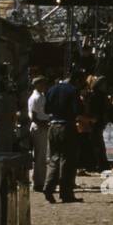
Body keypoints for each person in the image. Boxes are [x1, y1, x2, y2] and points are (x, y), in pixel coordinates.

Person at [43, 68, 84, 203]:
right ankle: (66, 193)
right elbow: (77, 110)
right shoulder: (72, 90)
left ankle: (48, 187)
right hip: (67, 126)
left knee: (54, 158)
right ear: (76, 80)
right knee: (67, 160)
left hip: (53, 126)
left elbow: (46, 109)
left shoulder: (51, 89)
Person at [27, 76, 51, 186]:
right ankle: (38, 181)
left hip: (43, 125)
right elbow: (34, 116)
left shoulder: (41, 96)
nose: (44, 86)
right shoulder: (35, 98)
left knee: (42, 155)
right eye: (42, 84)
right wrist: (44, 125)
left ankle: (40, 179)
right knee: (40, 156)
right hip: (39, 127)